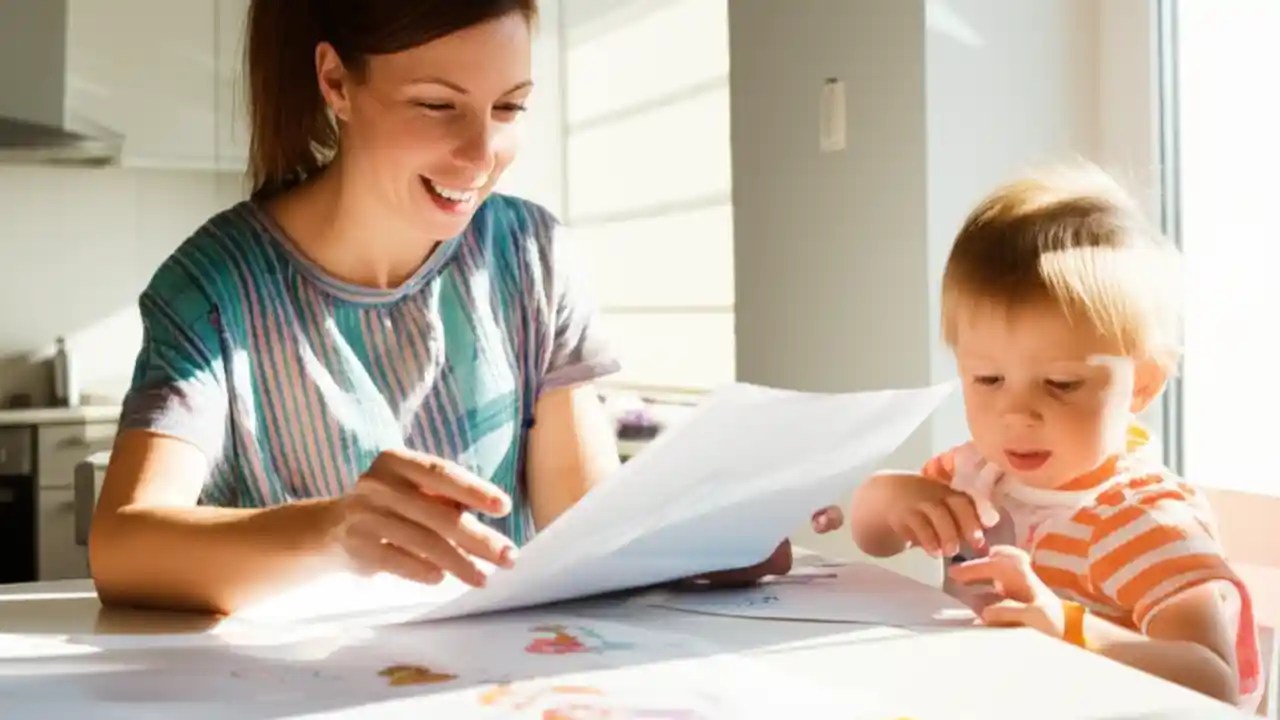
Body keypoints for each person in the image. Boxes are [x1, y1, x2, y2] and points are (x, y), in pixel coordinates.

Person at [89, 0, 789, 616]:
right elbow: (124, 546)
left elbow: (586, 523)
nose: (482, 153)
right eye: (436, 105)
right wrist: (333, 531)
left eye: (509, 107)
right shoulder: (214, 289)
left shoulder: (532, 255)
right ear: (336, 81)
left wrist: (720, 532)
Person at [837, 164, 1262, 710]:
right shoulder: (980, 477)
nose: (1016, 414)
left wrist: (1071, 629)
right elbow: (875, 537)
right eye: (988, 379)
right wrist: (889, 497)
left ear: (1144, 385)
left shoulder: (1144, 522)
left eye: (1060, 384)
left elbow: (1213, 681)